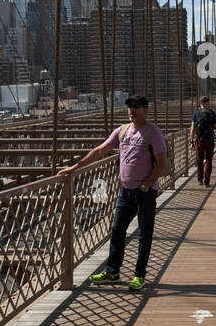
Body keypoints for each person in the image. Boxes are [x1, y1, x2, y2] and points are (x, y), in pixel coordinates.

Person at [58, 94, 168, 291]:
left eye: (136, 107)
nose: (132, 110)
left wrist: (147, 184)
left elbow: (162, 163)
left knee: (144, 234)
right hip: (125, 191)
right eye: (130, 107)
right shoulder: (122, 131)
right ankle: (112, 271)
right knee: (117, 230)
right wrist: (74, 168)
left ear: (146, 110)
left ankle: (139, 276)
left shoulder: (153, 133)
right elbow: (100, 150)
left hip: (144, 192)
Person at [189, 95, 216, 187]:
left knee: (199, 160)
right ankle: (207, 181)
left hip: (199, 140)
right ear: (207, 103)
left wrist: (192, 141)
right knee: (209, 160)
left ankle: (200, 179)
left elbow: (193, 129)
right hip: (210, 139)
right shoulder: (212, 113)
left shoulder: (196, 114)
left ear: (200, 103)